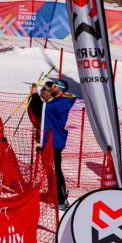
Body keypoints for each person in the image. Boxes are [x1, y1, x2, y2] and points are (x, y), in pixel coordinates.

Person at [39, 79, 75, 212]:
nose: (48, 89)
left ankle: (61, 199)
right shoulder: (59, 100)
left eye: (52, 86)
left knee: (56, 170)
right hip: (50, 140)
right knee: (51, 169)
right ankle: (55, 194)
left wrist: (36, 96)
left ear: (59, 89)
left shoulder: (61, 101)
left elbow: (47, 106)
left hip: (54, 142)